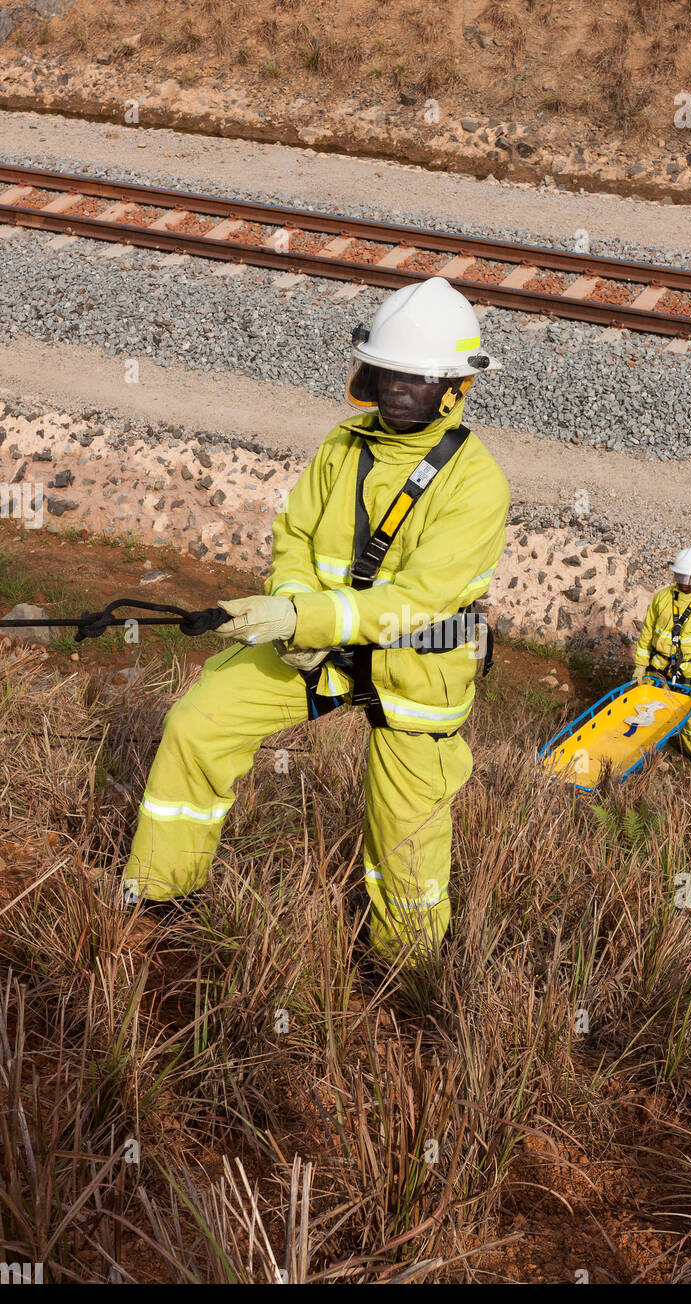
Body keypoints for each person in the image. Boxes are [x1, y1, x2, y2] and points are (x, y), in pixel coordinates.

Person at [122, 276, 510, 960]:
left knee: (405, 829)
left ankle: (406, 965)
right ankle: (162, 893)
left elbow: (415, 604)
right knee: (197, 724)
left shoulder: (476, 485)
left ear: (456, 388)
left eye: (417, 378)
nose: (396, 387)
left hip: (414, 667)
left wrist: (304, 618)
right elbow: (295, 538)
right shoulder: (343, 446)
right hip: (316, 647)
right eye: (388, 371)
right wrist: (291, 610)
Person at [632, 546, 691, 767]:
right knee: (649, 709)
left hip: (690, 674)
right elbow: (647, 634)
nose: (684, 581)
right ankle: (644, 752)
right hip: (658, 668)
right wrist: (640, 666)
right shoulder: (662, 598)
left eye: (690, 577)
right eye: (681, 575)